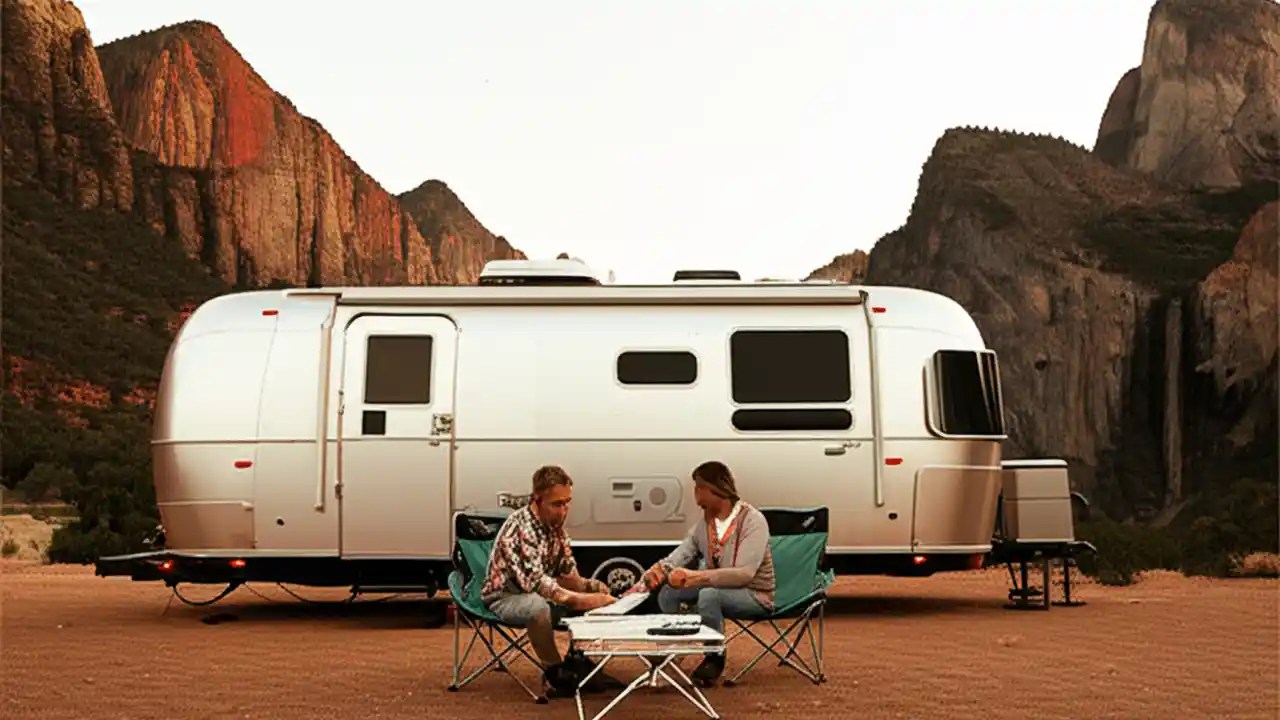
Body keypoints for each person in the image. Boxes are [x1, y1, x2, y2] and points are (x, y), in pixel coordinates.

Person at [626, 460, 775, 684]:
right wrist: (649, 578)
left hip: (754, 593)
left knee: (708, 595)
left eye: (699, 488)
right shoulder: (705, 525)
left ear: (717, 489)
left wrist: (695, 577)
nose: (696, 498)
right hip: (718, 586)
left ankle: (714, 657)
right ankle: (672, 647)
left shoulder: (753, 521)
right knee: (669, 592)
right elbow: (679, 556)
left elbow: (745, 574)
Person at [480, 465, 621, 697]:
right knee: (538, 607)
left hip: (539, 591)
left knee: (589, 602)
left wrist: (591, 587)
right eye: (557, 504)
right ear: (537, 500)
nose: (564, 510)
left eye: (567, 502)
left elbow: (567, 574)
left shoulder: (555, 527)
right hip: (505, 596)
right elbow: (540, 586)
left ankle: (580, 664)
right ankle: (556, 673)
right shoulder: (522, 529)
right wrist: (582, 599)